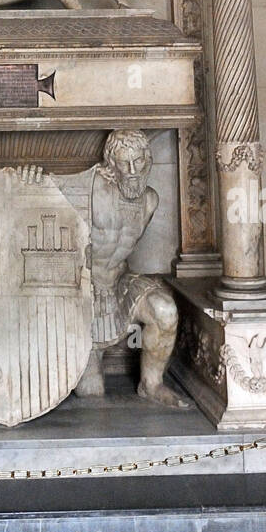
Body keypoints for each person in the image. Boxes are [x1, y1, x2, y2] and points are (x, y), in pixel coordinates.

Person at [76, 129, 188, 408]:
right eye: (124, 164)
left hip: (120, 280)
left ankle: (151, 384)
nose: (132, 171)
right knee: (91, 390)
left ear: (148, 160)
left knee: (165, 310)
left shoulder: (150, 200)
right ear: (110, 164)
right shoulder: (90, 191)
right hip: (84, 292)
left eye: (138, 161)